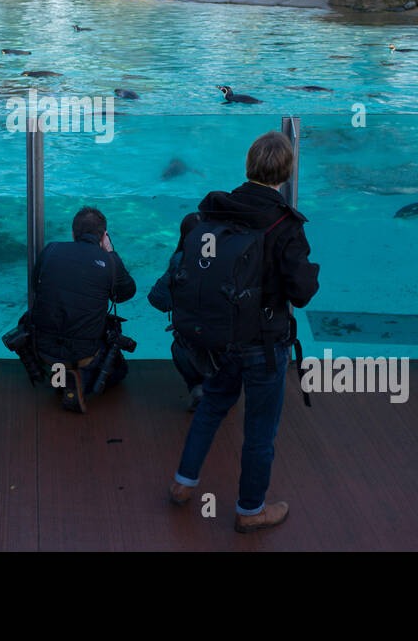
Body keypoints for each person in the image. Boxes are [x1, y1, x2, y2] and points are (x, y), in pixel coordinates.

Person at [167, 130, 319, 534]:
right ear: (285, 174)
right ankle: (250, 509)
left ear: (248, 166)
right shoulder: (286, 225)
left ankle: (183, 483)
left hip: (220, 334)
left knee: (212, 406)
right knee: (259, 431)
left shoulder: (217, 209)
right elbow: (301, 293)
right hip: (264, 343)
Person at [28, 207, 136, 412]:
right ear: (104, 236)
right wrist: (111, 253)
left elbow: (36, 287)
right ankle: (78, 380)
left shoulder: (50, 250)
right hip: (84, 353)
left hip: (42, 347)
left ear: (73, 234)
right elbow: (125, 294)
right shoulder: (110, 261)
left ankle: (59, 377)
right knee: (120, 371)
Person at [148, 213, 209, 410]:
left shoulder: (180, 261)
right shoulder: (227, 259)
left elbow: (157, 299)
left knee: (178, 345)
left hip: (195, 338)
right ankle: (222, 385)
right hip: (230, 343)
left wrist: (182, 314)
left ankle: (197, 386)